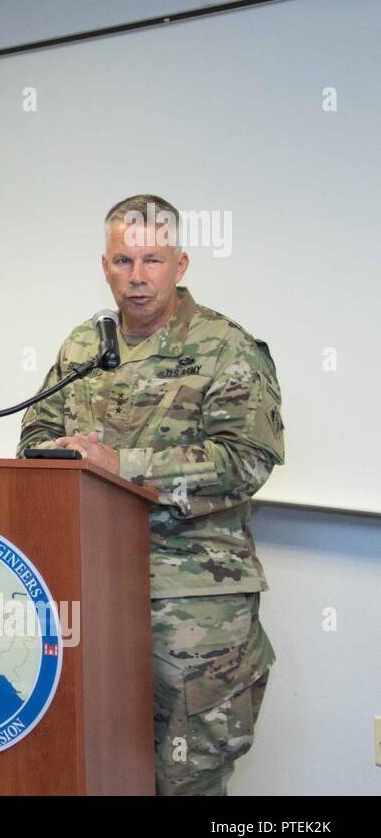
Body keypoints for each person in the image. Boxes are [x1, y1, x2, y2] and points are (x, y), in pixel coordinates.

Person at [18, 194, 285, 795]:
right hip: (90, 586)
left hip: (191, 598)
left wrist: (121, 463)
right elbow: (33, 432)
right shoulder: (86, 346)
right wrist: (60, 446)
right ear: (104, 265)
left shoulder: (226, 347)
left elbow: (246, 460)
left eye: (153, 261)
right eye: (122, 261)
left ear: (181, 264)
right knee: (95, 760)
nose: (137, 278)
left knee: (185, 775)